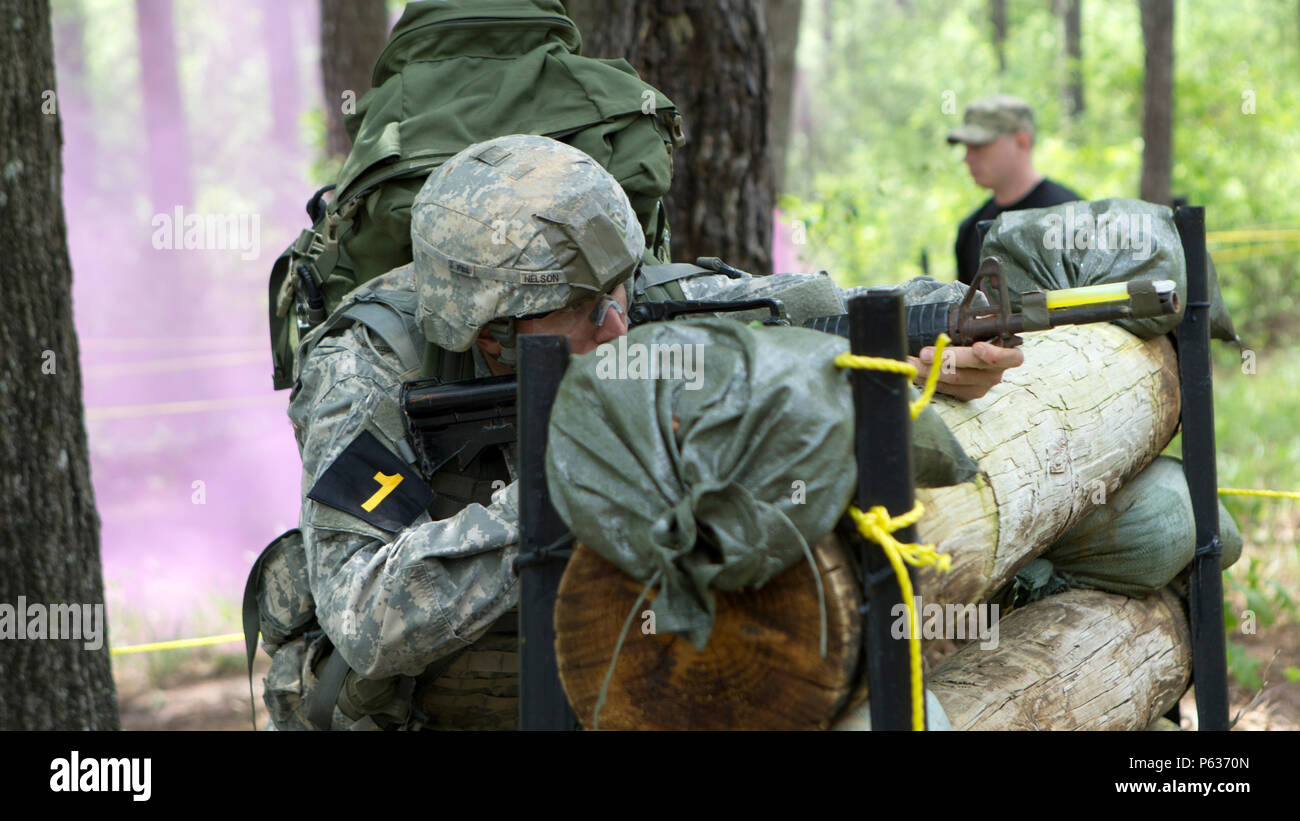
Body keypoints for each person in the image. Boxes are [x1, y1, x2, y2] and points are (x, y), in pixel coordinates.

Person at [259, 134, 1024, 730]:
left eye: (621, 289)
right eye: (588, 312)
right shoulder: (365, 368)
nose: (621, 324)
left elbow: (801, 311)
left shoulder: (613, 285)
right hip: (427, 702)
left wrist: (938, 330)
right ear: (493, 335)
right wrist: (578, 482)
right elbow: (365, 613)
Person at [949, 94, 1083, 286]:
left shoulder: (1073, 216)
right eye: (967, 147)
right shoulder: (971, 230)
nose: (967, 158)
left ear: (1022, 141)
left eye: (979, 146)